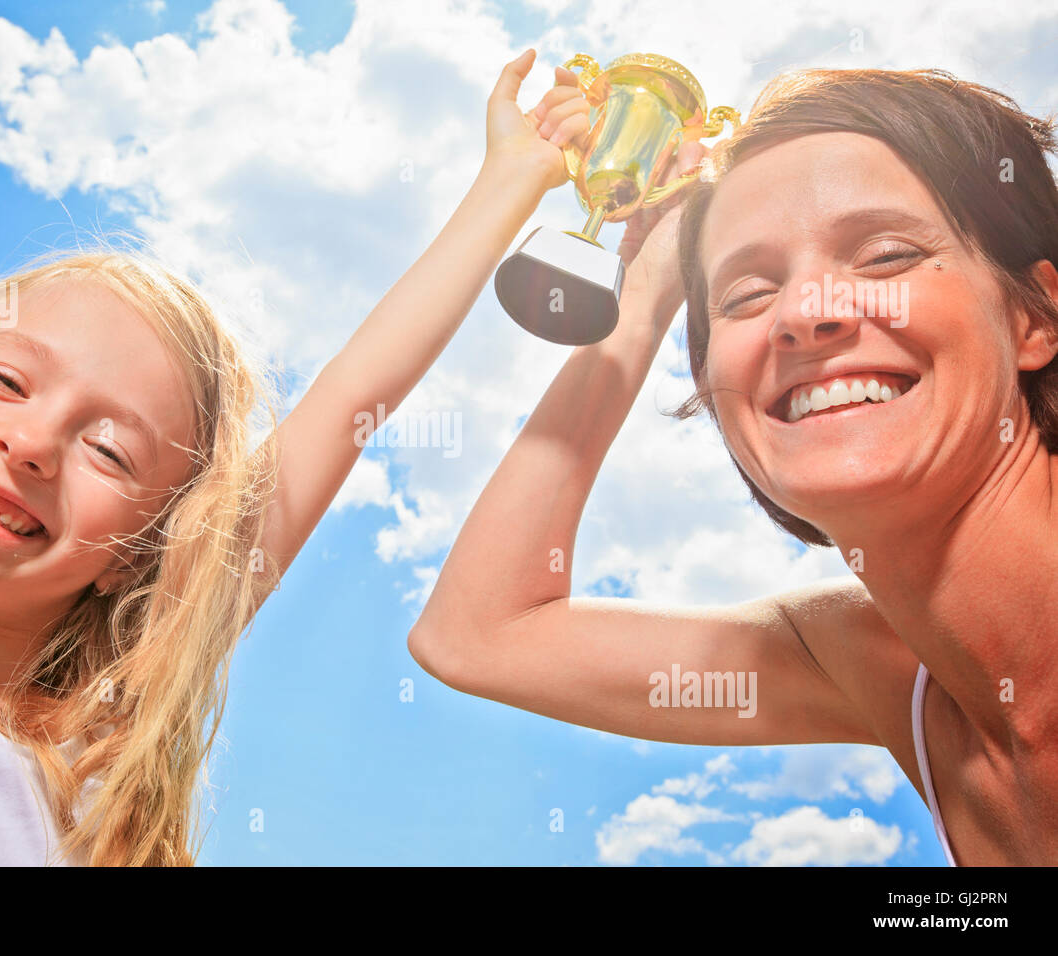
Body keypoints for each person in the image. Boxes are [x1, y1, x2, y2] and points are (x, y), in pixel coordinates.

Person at [0, 50, 574, 867]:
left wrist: (512, 179)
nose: (32, 444)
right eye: (7, 380)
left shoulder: (96, 763)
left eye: (109, 451)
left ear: (139, 554)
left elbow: (354, 392)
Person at [409, 65, 1058, 866]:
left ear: (1034, 318)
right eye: (747, 296)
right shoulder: (879, 667)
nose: (805, 314)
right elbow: (477, 634)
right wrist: (647, 287)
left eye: (887, 256)